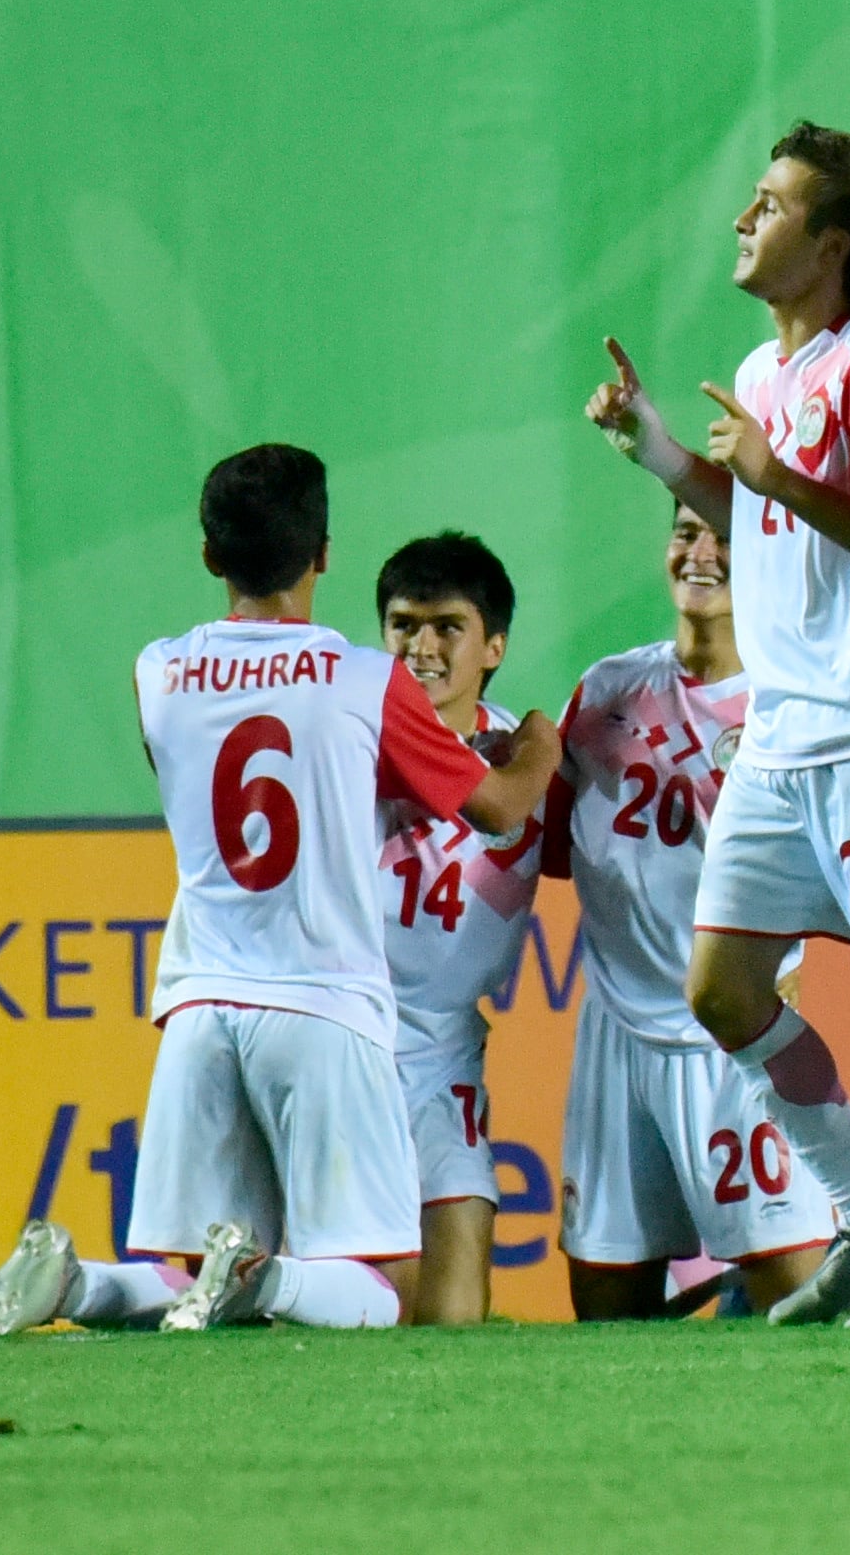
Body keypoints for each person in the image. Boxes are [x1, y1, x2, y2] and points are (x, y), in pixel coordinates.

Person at [0, 446, 559, 1335]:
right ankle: (261, 1275)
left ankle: (77, 1284)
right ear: (323, 553)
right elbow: (502, 805)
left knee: (198, 1280)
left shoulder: (157, 671)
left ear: (209, 555)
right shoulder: (361, 678)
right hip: (321, 1006)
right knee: (387, 1290)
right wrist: (541, 742)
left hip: (201, 1004)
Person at [583, 122, 850, 1325]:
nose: (744, 220)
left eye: (769, 203)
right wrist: (654, 449)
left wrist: (774, 476)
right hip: (782, 732)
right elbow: (756, 517)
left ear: (830, 244)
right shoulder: (758, 375)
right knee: (722, 990)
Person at [547, 504, 837, 1319]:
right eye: (683, 530)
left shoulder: (791, 706)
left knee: (806, 1311)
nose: (700, 553)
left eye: (724, 536)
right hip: (613, 1033)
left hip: (732, 1036)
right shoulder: (606, 689)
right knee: (607, 1314)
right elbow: (551, 845)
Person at [374, 531, 550, 1326]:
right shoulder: (350, 732)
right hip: (354, 1036)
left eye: (447, 625)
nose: (421, 646)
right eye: (403, 623)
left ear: (494, 645)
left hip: (446, 1050)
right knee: (364, 1311)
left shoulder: (530, 751)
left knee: (454, 1318)